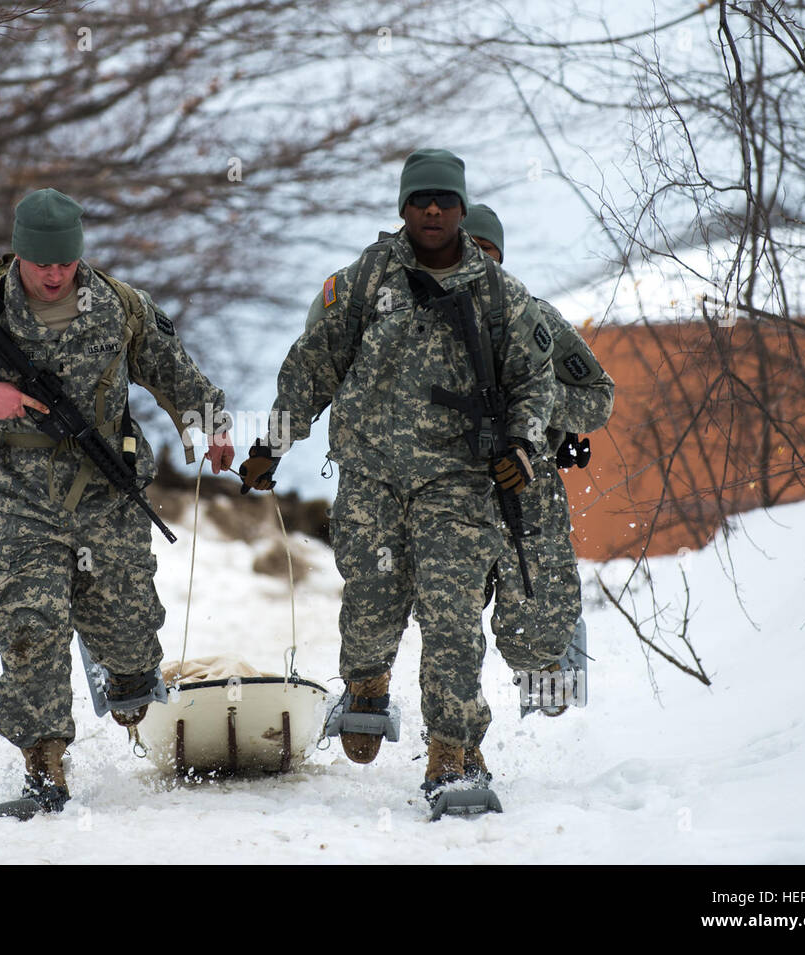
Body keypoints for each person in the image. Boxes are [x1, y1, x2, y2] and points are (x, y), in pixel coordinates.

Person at [0, 188, 233, 819]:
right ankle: (45, 770)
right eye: (41, 262)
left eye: (64, 263)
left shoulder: (120, 305)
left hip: (109, 491)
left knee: (129, 649)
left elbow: (171, 370)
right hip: (23, 497)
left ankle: (125, 677)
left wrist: (211, 425)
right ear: (19, 253)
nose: (53, 275)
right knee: (29, 621)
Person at [238, 149, 557, 808]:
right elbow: (315, 363)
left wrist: (523, 445)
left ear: (462, 208)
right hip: (373, 473)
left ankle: (452, 753)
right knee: (374, 601)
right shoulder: (367, 277)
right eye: (421, 200)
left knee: (453, 615)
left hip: (460, 478)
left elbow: (534, 377)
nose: (433, 210)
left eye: (444, 199)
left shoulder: (497, 290)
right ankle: (365, 681)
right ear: (404, 208)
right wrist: (273, 442)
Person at [462, 203, 615, 717]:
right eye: (468, 248)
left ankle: (553, 718)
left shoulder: (535, 318)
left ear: (500, 258)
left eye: (487, 251)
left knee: (540, 608)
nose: (476, 261)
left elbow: (598, 397)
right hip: (453, 484)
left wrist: (540, 407)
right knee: (450, 613)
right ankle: (454, 725)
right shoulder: (420, 324)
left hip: (530, 486)